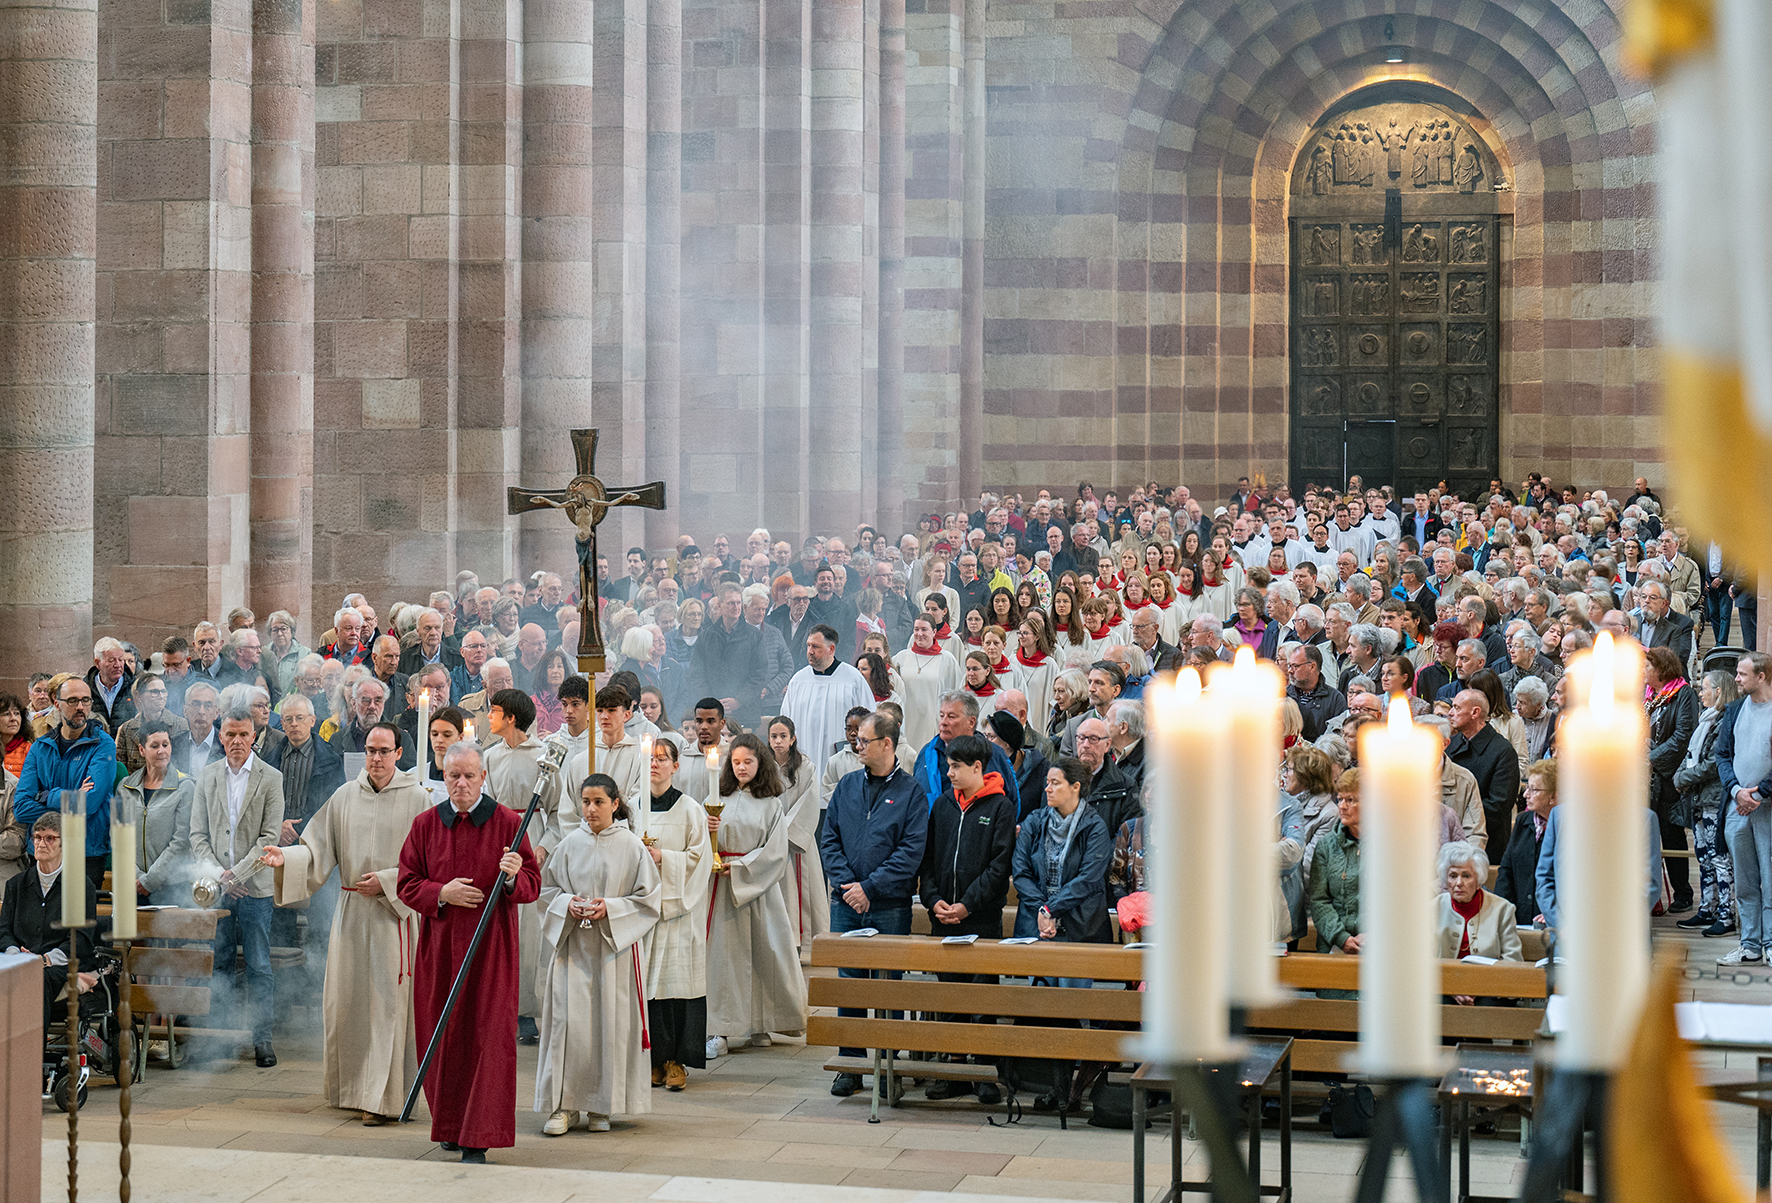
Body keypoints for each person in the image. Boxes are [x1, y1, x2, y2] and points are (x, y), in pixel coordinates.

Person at [260, 720, 431, 1124]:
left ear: (398, 754)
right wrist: (288, 858)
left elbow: (429, 864)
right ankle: (353, 1090)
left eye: (384, 751)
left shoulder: (419, 800)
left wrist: (389, 881)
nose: (376, 758)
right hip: (353, 916)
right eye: (371, 750)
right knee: (349, 1006)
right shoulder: (344, 796)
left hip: (395, 917)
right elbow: (317, 848)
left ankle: (384, 1099)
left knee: (388, 1009)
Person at [397, 739, 541, 1163]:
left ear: (483, 777)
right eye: (453, 775)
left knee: (487, 1038)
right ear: (444, 776)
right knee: (440, 1037)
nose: (461, 783)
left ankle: (478, 1135)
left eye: (469, 776)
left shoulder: (509, 823)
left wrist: (514, 876)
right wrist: (441, 891)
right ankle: (449, 1123)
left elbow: (531, 885)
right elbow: (407, 881)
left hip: (490, 950)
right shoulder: (425, 824)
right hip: (440, 950)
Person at [534, 773, 662, 1136]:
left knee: (608, 1025)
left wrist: (612, 908)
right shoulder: (569, 843)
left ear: (615, 804)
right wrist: (566, 903)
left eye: (599, 802)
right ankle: (563, 1106)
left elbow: (649, 899)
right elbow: (546, 891)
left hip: (611, 951)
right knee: (566, 1026)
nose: (590, 809)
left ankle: (601, 1106)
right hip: (572, 949)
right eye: (585, 802)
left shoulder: (631, 846)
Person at [819, 711, 928, 1096]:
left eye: (864, 740)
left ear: (886, 743)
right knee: (850, 985)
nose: (856, 745)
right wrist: (849, 884)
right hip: (847, 901)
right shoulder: (848, 785)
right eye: (856, 739)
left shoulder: (913, 793)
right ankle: (850, 1065)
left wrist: (870, 886)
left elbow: (910, 852)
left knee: (888, 987)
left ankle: (888, 1067)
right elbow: (828, 837)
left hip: (888, 904)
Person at [188, 705, 286, 1066]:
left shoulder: (270, 777)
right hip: (216, 890)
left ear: (254, 736)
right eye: (230, 734)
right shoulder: (208, 776)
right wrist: (220, 876)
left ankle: (262, 1039)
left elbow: (269, 837)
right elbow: (197, 835)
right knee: (221, 962)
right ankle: (220, 1039)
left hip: (255, 888)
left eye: (244, 734)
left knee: (259, 964)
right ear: (221, 736)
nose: (237, 741)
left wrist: (237, 876)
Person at [705, 733, 805, 1060]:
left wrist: (740, 867)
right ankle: (719, 1029)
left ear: (760, 763)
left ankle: (761, 1023)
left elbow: (776, 852)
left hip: (757, 888)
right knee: (724, 961)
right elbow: (698, 842)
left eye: (748, 761)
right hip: (720, 890)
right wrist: (708, 835)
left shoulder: (771, 803)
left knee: (766, 955)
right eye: (736, 762)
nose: (742, 768)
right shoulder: (715, 798)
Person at [641, 739, 713, 1091]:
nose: (654, 764)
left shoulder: (689, 809)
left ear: (675, 766)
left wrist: (663, 859)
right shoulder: (633, 807)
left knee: (676, 987)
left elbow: (700, 860)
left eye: (662, 759)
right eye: (650, 759)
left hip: (678, 913)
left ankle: (676, 1062)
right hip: (643, 913)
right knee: (649, 988)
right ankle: (654, 1059)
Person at [483, 687, 549, 1041]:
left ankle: (527, 1012)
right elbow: (490, 805)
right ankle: (501, 1006)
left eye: (494, 711)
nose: (489, 717)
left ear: (511, 717)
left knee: (530, 935)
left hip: (533, 834)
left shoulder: (544, 754)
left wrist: (543, 846)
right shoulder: (490, 756)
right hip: (503, 841)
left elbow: (556, 809)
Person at [13, 675, 118, 889]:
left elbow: (87, 805)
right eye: (72, 701)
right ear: (56, 703)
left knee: (81, 921)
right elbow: (21, 808)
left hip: (85, 852)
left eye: (86, 700)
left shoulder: (103, 744)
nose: (80, 707)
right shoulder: (40, 747)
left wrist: (45, 795)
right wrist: (72, 798)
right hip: (43, 852)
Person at [0, 813, 97, 1029]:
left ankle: (33, 1058)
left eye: (50, 838)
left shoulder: (81, 885)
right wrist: (15, 956)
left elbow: (80, 939)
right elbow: (4, 931)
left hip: (60, 965)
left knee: (38, 980)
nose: (41, 843)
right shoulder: (16, 885)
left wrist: (43, 960)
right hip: (18, 962)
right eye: (37, 837)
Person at [1010, 757, 1111, 943]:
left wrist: (1050, 909)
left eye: (1055, 783)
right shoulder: (1034, 821)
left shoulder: (1094, 826)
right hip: (1035, 925)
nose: (1047, 789)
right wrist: (1043, 910)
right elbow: (1020, 872)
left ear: (1075, 787)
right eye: (1047, 783)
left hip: (1082, 927)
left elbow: (1088, 879)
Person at [1673, 669, 1740, 937]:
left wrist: (1683, 776)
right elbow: (1691, 753)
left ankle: (1726, 914)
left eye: (1705, 688)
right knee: (1703, 857)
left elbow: (1713, 763)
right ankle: (1707, 909)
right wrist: (1681, 775)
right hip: (1698, 798)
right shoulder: (1705, 719)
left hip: (1714, 796)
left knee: (1719, 857)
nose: (1700, 693)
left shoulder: (1726, 721)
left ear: (1719, 692)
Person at [1715, 652, 1772, 966]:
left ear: (1761, 676)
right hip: (1737, 807)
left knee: (1771, 878)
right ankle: (1749, 944)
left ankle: (1771, 943)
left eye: (1741, 674)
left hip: (1767, 808)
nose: (1735, 679)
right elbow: (1722, 755)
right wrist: (1737, 791)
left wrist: (1760, 793)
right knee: (1745, 879)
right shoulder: (1734, 710)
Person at [113, 720, 194, 908]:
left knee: (171, 936)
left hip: (171, 885)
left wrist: (151, 880)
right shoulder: (125, 787)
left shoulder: (185, 787)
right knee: (135, 937)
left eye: (165, 745)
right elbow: (118, 838)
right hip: (134, 884)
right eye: (154, 746)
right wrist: (138, 877)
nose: (161, 751)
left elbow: (181, 840)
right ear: (142, 750)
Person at [1644, 645, 1699, 913]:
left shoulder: (1683, 694)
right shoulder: (1650, 696)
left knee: (1671, 836)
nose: (1642, 671)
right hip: (1645, 779)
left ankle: (1683, 894)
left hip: (1669, 780)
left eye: (1647, 666)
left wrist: (1652, 757)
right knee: (1646, 839)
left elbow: (1682, 736)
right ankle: (1650, 897)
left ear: (1661, 670)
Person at [780, 625, 876, 777]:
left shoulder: (853, 679)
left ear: (831, 649)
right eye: (808, 646)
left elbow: (869, 720)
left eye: (816, 647)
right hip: (803, 758)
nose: (810, 651)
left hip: (841, 761)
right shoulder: (798, 680)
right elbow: (785, 721)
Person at [1446, 688, 1517, 860]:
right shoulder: (1451, 744)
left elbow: (1498, 806)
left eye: (1456, 707)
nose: (1450, 712)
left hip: (1485, 845)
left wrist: (1455, 822)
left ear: (1475, 712)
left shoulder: (1502, 752)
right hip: (1446, 842)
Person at [1434, 842, 1523, 978]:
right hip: (1444, 984)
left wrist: (1480, 986)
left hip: (1491, 986)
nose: (1459, 883)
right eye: (1453, 876)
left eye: (1466, 876)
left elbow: (1513, 961)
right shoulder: (1432, 909)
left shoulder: (1502, 909)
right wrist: (1453, 989)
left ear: (1478, 880)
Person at [1495, 759, 1556, 924]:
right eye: (1527, 787)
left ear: (1553, 796)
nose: (1525, 794)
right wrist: (1501, 908)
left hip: (1552, 921)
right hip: (1518, 916)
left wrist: (1554, 912)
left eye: (1533, 789)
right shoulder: (1523, 821)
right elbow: (1506, 870)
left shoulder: (1570, 830)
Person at [891, 615, 962, 750]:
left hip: (933, 722)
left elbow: (956, 695)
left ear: (934, 632)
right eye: (916, 629)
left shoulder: (947, 659)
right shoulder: (902, 657)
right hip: (907, 720)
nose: (919, 634)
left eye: (924, 629)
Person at [1307, 779, 1362, 954]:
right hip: (1334, 946)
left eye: (1350, 800)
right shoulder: (1326, 846)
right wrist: (1341, 937)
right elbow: (1319, 899)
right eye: (1339, 799)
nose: (1342, 806)